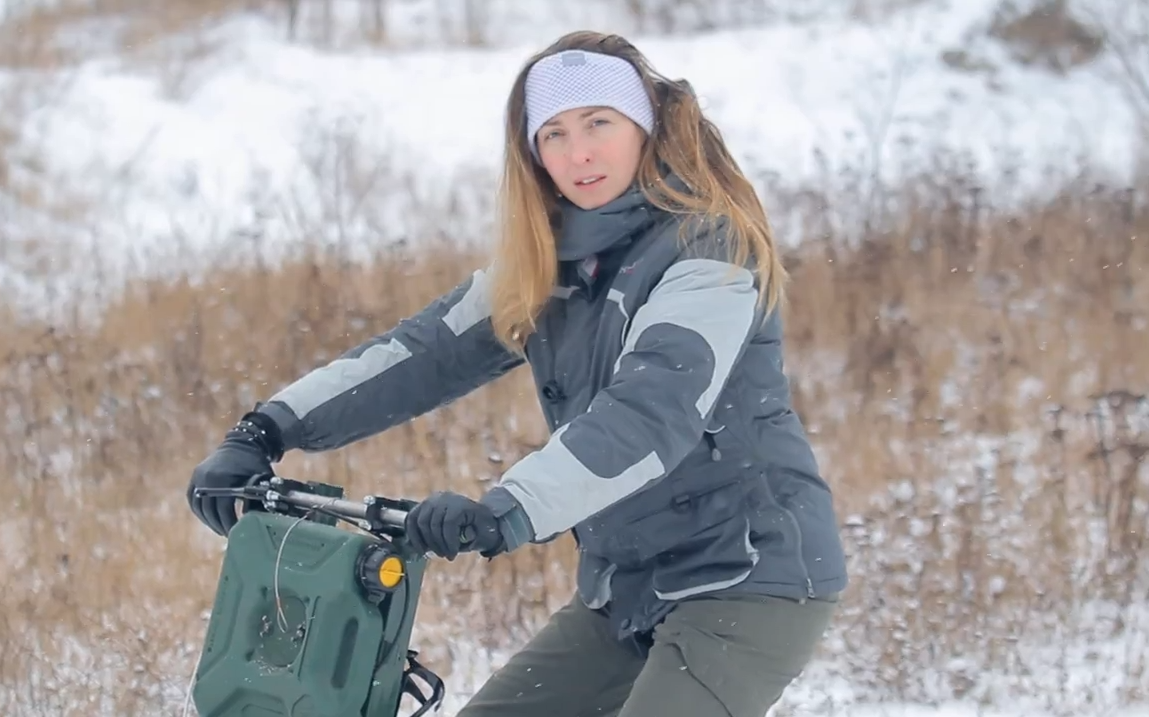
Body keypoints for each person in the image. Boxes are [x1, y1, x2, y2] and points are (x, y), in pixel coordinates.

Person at [186, 29, 848, 717]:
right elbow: (422, 353)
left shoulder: (712, 251)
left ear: (644, 126)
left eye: (599, 123)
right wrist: (263, 428)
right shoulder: (547, 262)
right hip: (622, 587)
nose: (578, 152)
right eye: (553, 134)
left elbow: (649, 414)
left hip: (746, 578)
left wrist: (505, 509)